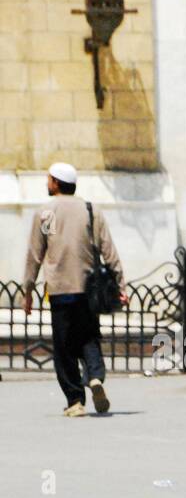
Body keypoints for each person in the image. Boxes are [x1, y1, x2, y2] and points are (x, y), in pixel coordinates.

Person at [21, 162, 124, 417]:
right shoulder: (91, 210)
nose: (47, 183)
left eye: (48, 179)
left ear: (56, 183)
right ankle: (96, 377)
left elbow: (36, 253)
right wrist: (121, 285)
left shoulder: (47, 214)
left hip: (60, 289)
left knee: (65, 346)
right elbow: (109, 250)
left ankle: (75, 400)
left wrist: (28, 289)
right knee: (89, 337)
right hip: (89, 290)